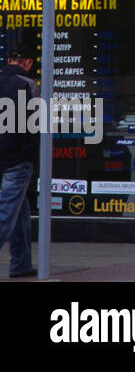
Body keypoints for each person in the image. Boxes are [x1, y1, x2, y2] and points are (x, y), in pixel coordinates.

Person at [0, 42, 38, 279]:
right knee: (6, 213)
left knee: (19, 210)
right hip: (17, 160)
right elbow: (33, 126)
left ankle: (21, 263)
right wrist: (31, 155)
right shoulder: (28, 84)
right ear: (27, 62)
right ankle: (21, 263)